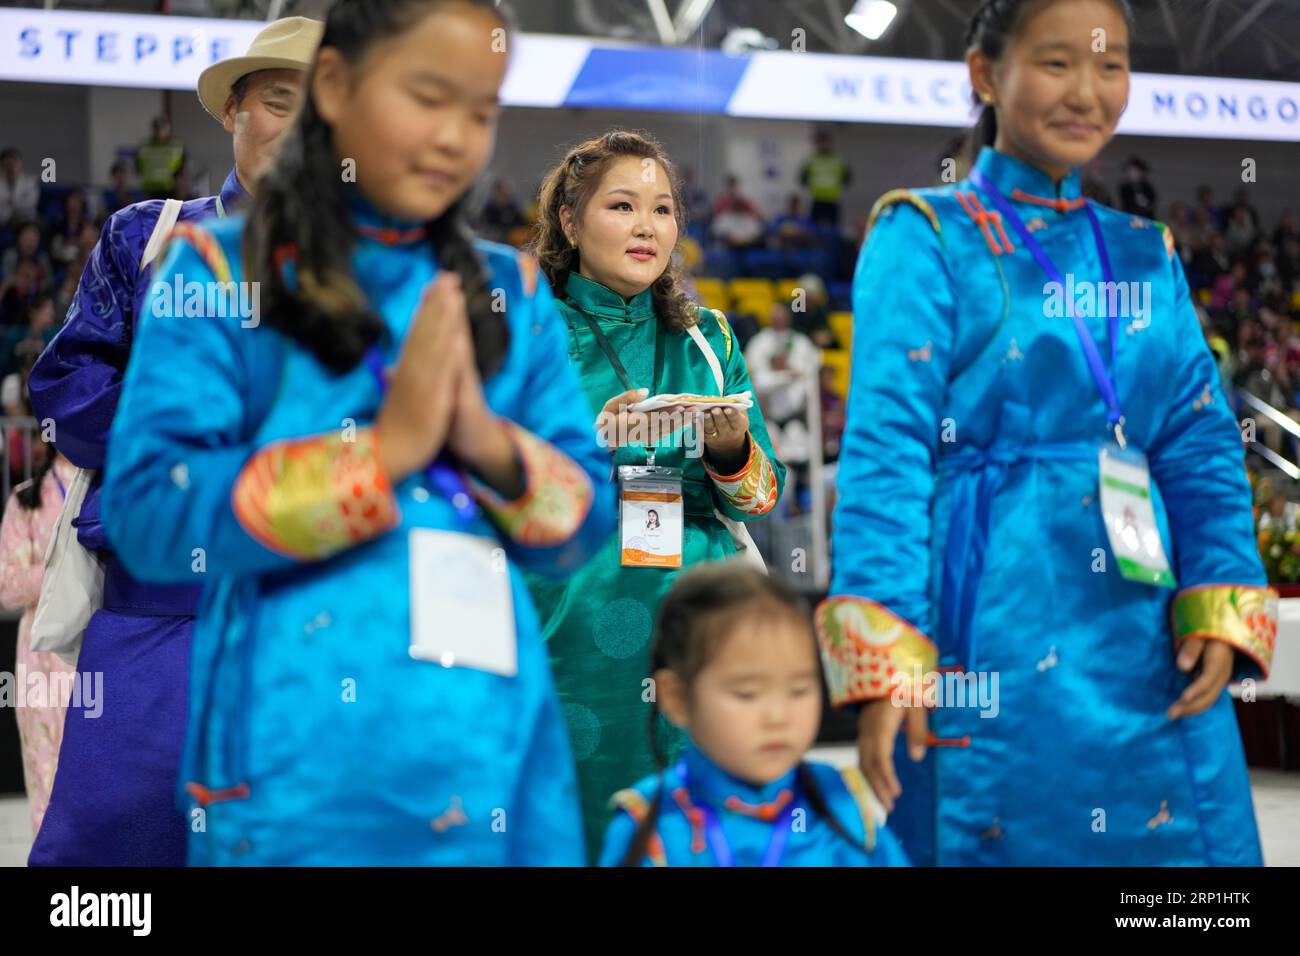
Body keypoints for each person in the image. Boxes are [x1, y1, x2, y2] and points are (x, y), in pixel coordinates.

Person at [100, 0, 612, 866]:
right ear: (332, 87)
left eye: (480, 112)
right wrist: (380, 457)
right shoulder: (220, 268)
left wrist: (485, 441)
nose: (455, 136)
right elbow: (151, 515)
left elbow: (588, 522)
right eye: (424, 96)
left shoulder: (511, 289)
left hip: (492, 756)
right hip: (290, 767)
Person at [821, 0, 1274, 866]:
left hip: (1148, 631)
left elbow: (1196, 439)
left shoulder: (1147, 249)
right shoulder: (925, 235)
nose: (1089, 92)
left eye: (1111, 66)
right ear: (986, 74)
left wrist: (1220, 588)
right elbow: (887, 454)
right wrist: (888, 653)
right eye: (1058, 63)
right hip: (990, 617)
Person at [27, 16, 322, 868]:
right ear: (234, 110)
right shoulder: (145, 237)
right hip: (158, 617)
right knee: (105, 871)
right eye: (278, 102)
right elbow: (65, 386)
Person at [528, 130, 786, 858]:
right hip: (570, 616)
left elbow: (762, 499)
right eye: (622, 205)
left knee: (699, 825)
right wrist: (589, 446)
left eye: (664, 209)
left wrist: (733, 449)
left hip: (699, 620)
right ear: (570, 222)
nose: (648, 226)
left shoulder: (709, 337)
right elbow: (485, 486)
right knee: (583, 816)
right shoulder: (526, 334)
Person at [600, 561, 909, 867]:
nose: (778, 717)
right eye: (747, 694)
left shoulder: (843, 802)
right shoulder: (653, 830)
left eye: (799, 690)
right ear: (677, 698)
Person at [0, 444, 78, 836]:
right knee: (44, 773)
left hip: (98, 651)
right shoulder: (25, 499)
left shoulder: (109, 493)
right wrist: (62, 573)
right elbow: (6, 585)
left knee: (97, 778)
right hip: (40, 659)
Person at [800, 130, 852, 229]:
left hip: (832, 200)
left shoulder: (838, 160)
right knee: (813, 230)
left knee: (834, 230)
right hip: (817, 200)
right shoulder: (811, 160)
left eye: (825, 142)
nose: (823, 145)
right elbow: (803, 179)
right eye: (820, 142)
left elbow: (847, 179)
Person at [136, 116, 186, 200]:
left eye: (162, 128)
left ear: (168, 129)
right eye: (157, 128)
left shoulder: (176, 146)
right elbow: (138, 167)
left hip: (170, 189)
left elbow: (182, 169)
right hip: (149, 190)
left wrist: (181, 188)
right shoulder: (144, 146)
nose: (159, 131)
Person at [0, 148, 41, 229]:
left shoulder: (30, 182)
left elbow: (29, 204)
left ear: (20, 165)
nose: (10, 168)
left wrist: (9, 204)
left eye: (13, 164)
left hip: (26, 220)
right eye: (7, 165)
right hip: (3, 222)